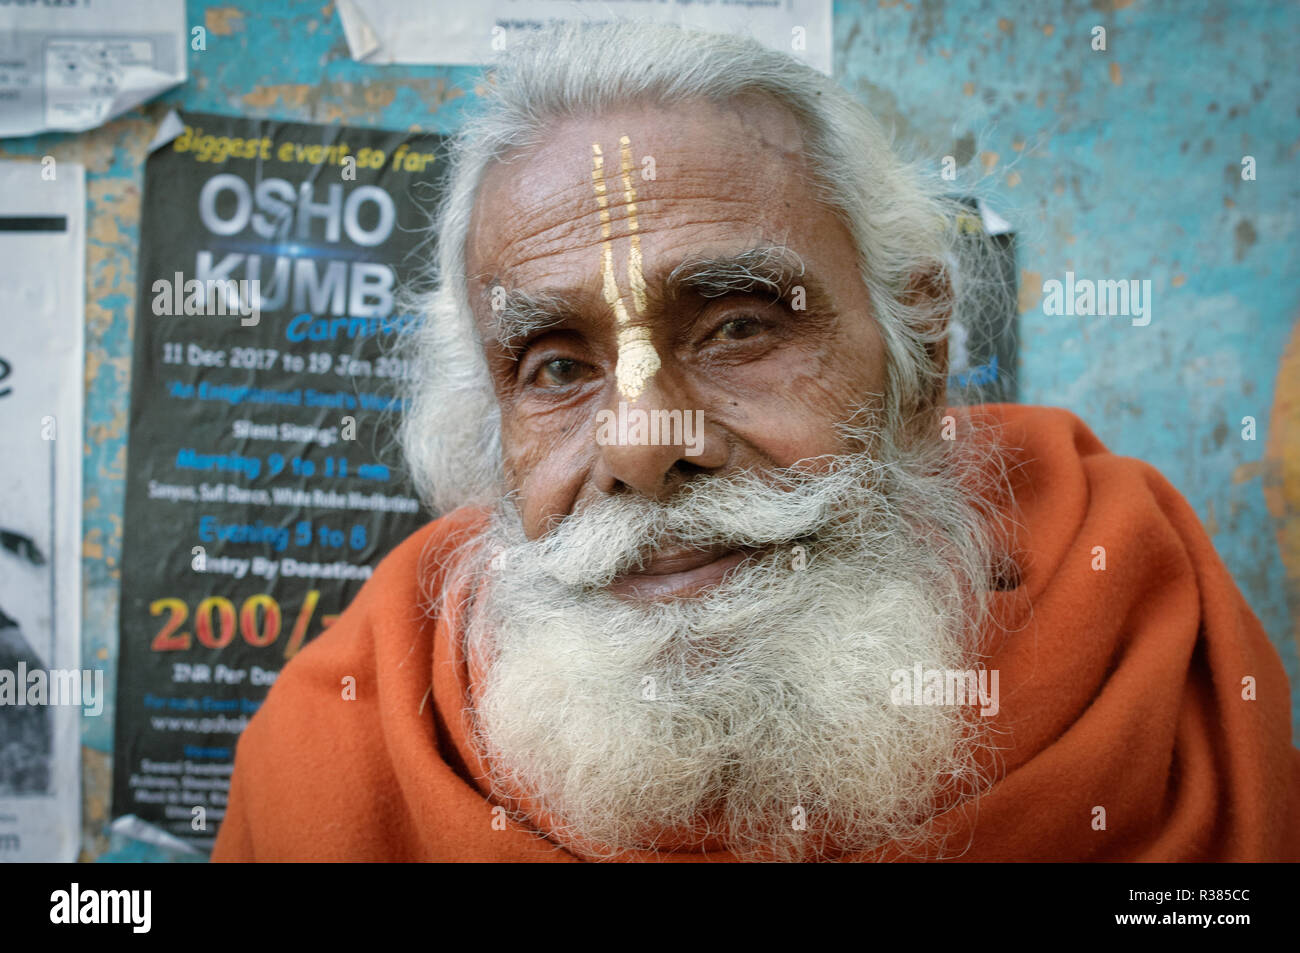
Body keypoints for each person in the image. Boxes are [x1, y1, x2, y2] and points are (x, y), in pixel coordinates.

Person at [212, 21, 1300, 862]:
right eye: (556, 365)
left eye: (738, 326)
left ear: (916, 349)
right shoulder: (344, 754)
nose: (642, 444)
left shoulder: (1148, 651)